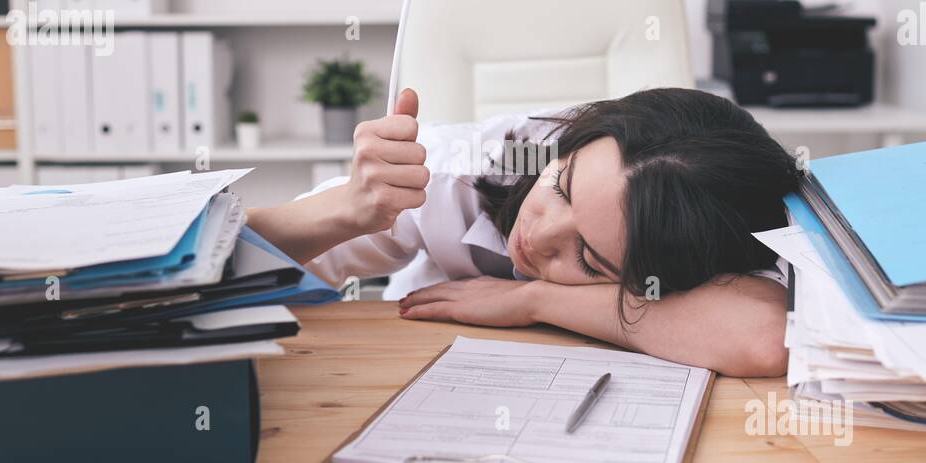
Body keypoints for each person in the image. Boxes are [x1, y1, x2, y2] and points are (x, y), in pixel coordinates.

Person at [247, 86, 801, 376]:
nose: (537, 238)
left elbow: (762, 336)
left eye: (587, 260)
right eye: (560, 187)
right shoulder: (476, 160)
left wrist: (530, 299)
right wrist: (347, 207)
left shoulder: (720, 222)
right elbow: (230, 264)